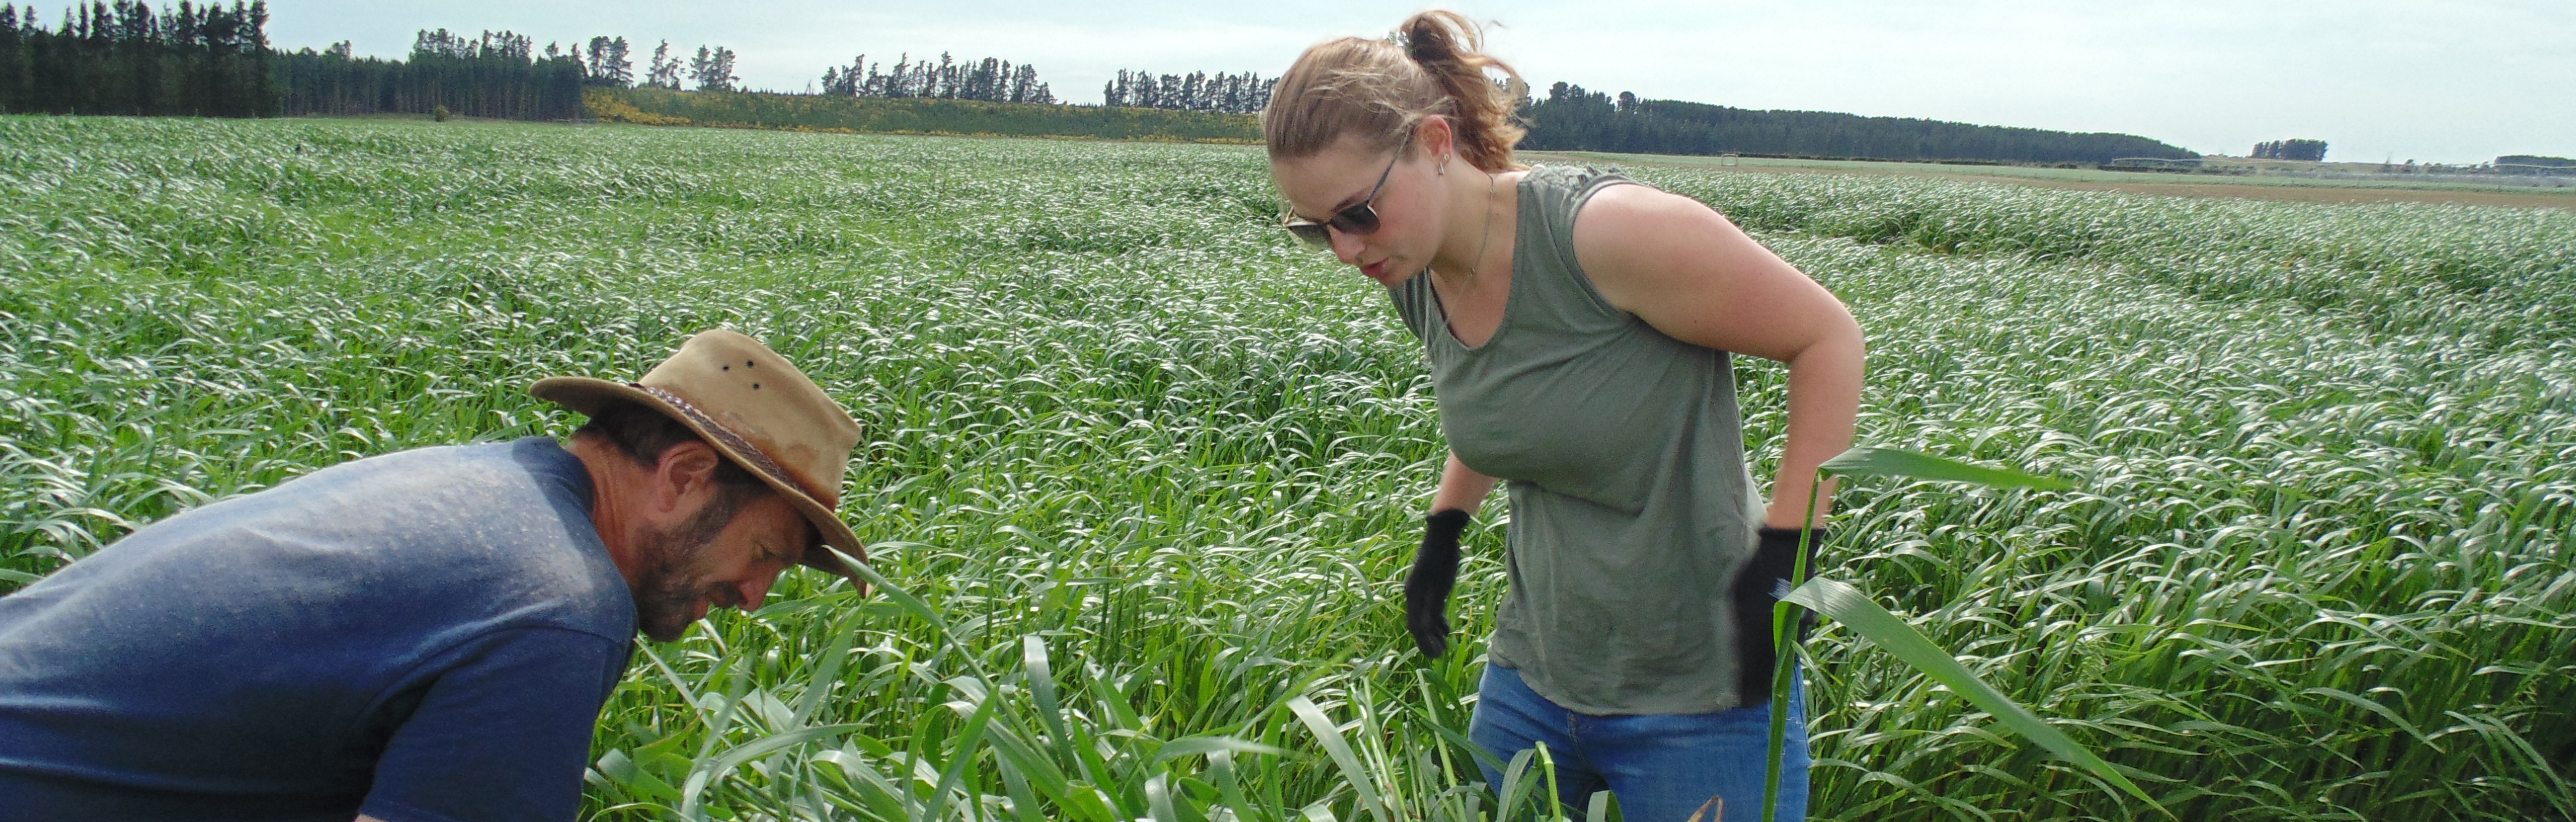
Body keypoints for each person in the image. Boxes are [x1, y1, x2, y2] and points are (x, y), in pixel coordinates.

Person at [1263, 12, 1865, 821]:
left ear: (1435, 144)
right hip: (1535, 677)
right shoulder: (1412, 270)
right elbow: (1511, 396)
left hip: (1703, 686)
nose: (1344, 249)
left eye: (1356, 213)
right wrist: (1445, 529)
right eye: (1315, 228)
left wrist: (1785, 557)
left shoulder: (1606, 234)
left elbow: (1828, 338)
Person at [0, 329, 870, 822]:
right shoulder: (560, 605)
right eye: (765, 554)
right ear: (683, 477)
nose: (754, 596)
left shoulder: (482, 485)